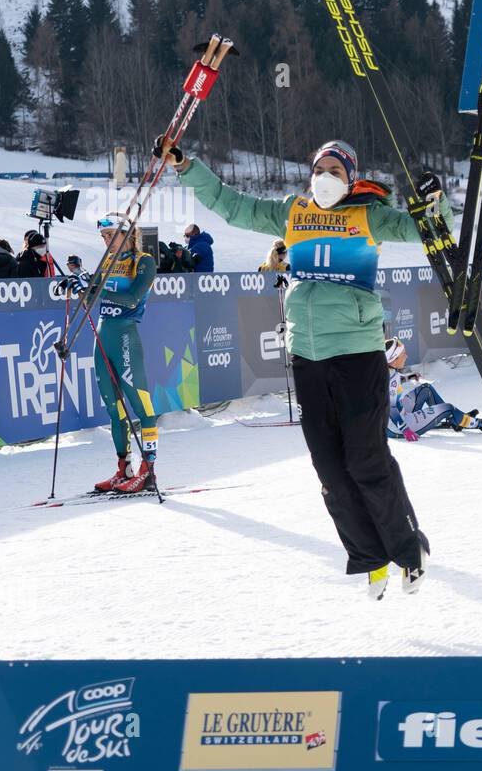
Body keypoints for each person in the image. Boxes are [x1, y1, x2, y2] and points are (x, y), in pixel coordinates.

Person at [163, 135, 443, 599]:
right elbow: (232, 206)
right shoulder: (292, 213)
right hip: (308, 355)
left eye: (335, 170)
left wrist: (433, 202)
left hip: (356, 352)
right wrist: (185, 166)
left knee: (366, 457)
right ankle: (369, 557)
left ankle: (409, 550)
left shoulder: (367, 214)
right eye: (320, 169)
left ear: (351, 178)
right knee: (329, 468)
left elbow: (425, 231)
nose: (325, 178)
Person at [85, 215, 160, 495]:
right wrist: (79, 288)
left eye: (110, 235)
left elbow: (131, 297)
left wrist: (96, 287)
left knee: (142, 407)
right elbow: (90, 299)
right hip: (103, 336)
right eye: (103, 237)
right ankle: (124, 468)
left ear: (127, 234)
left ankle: (148, 470)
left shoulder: (143, 262)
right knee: (113, 409)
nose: (106, 241)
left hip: (126, 335)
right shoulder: (106, 262)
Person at [385, 337, 480, 441]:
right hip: (396, 426)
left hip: (395, 417)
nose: (406, 356)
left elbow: (394, 384)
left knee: (426, 389)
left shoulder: (385, 369)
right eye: (403, 354)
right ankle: (481, 424)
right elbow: (391, 409)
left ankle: (456, 418)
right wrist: (405, 429)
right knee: (449, 408)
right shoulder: (391, 378)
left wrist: (408, 377)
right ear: (393, 360)